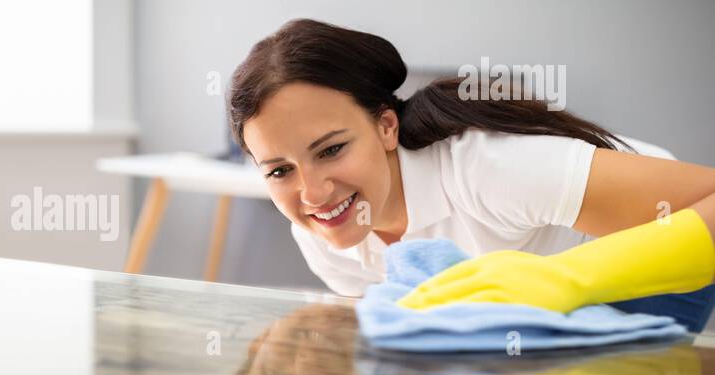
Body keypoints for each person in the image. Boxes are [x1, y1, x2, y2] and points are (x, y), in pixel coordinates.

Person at [228, 19, 715, 331]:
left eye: (332, 149)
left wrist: (571, 279)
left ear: (385, 126)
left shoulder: (486, 168)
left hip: (660, 266)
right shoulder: (319, 233)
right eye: (279, 170)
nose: (312, 193)